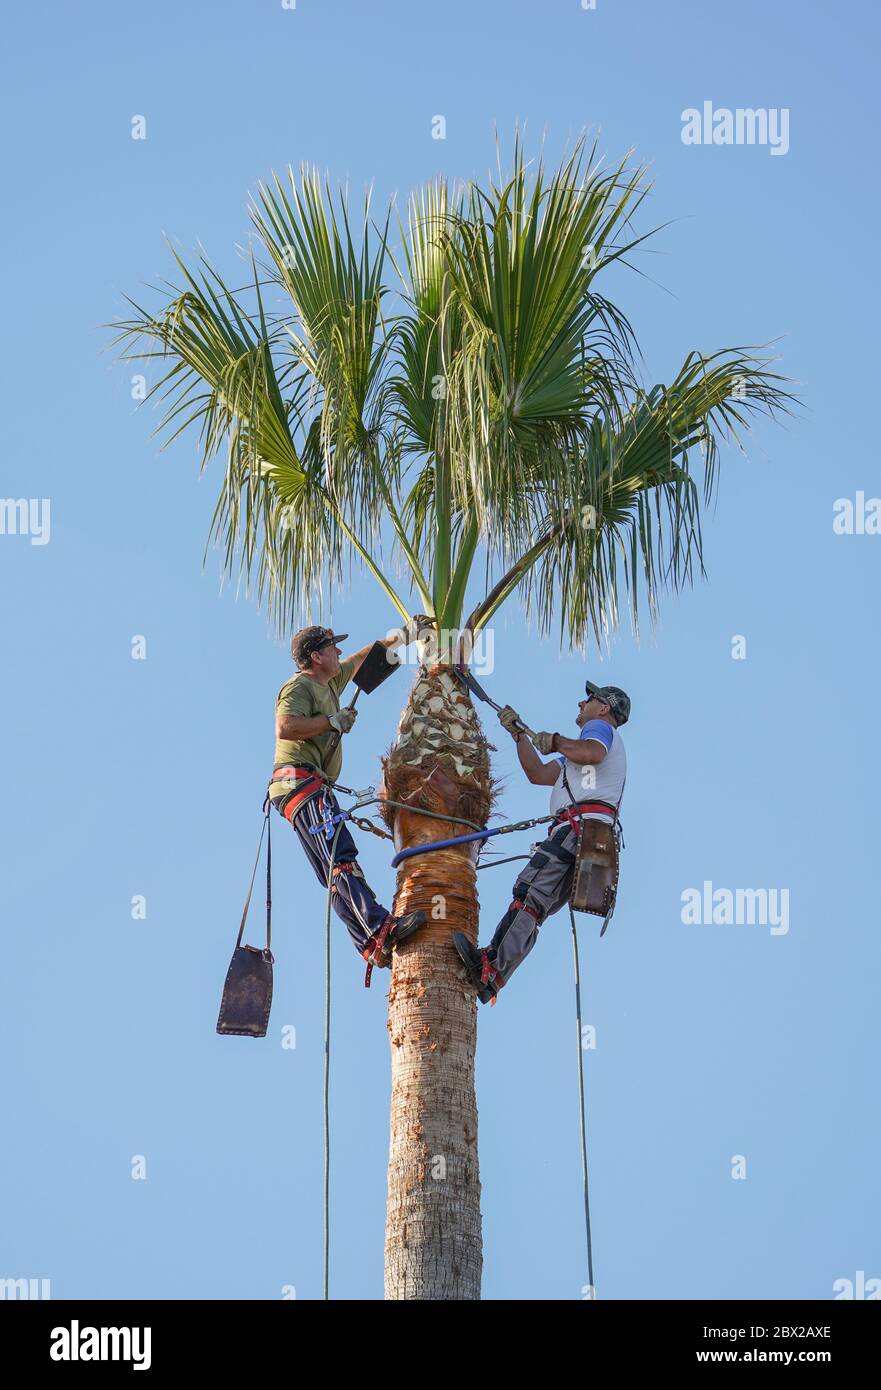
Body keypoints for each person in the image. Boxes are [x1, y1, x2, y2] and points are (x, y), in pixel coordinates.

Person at [268, 619, 430, 978]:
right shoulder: (300, 685)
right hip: (301, 784)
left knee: (334, 870)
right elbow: (286, 726)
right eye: (332, 646)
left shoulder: (330, 682)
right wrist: (331, 722)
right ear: (316, 656)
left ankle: (369, 944)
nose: (338, 651)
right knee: (341, 857)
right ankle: (377, 929)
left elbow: (362, 658)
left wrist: (405, 634)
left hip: (305, 788)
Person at [453, 681, 630, 1003]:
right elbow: (537, 773)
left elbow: (592, 752)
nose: (581, 704)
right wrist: (520, 736)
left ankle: (490, 967)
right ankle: (493, 975)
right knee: (534, 908)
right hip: (589, 839)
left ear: (604, 708)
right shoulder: (576, 756)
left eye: (588, 699)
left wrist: (557, 741)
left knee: (529, 895)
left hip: (578, 831)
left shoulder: (598, 730)